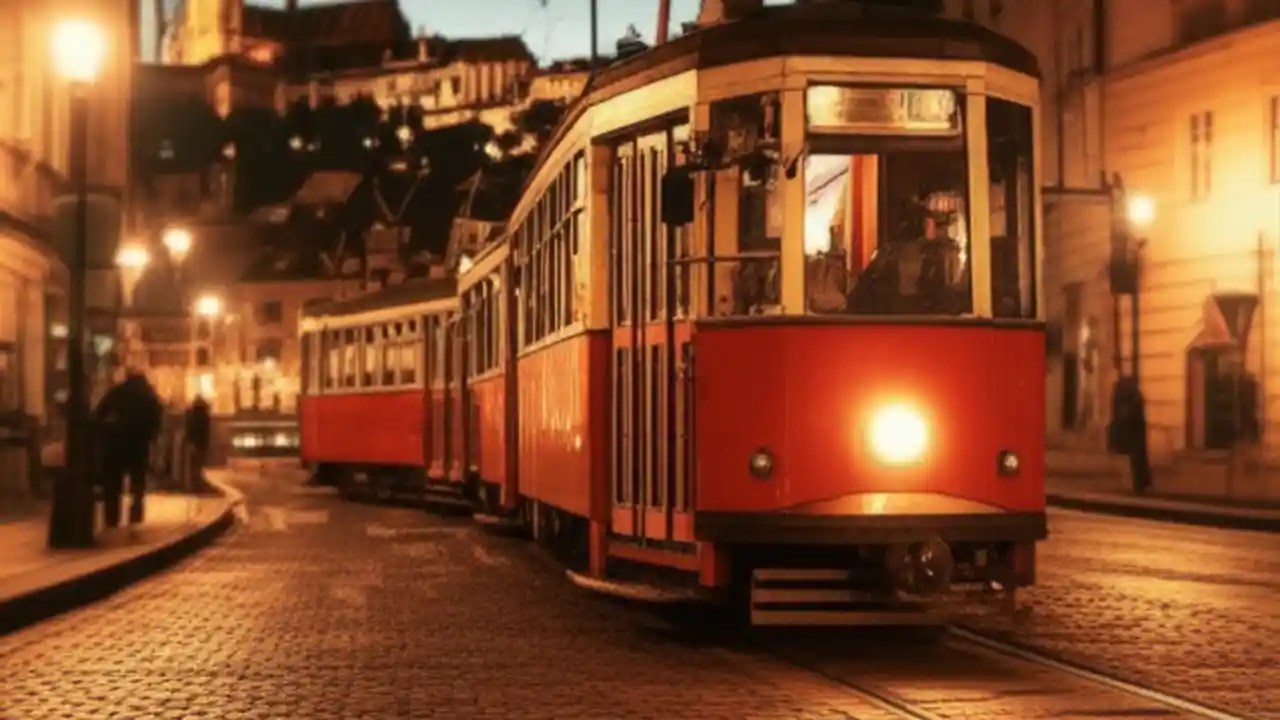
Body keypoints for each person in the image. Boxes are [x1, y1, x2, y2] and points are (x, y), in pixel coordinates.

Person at [93, 371, 164, 527]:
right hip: (139, 445)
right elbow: (157, 418)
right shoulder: (148, 396)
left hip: (114, 445)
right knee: (137, 483)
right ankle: (135, 515)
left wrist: (104, 433)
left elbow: (99, 415)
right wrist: (151, 436)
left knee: (113, 484)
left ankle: (111, 518)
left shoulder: (116, 393)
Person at [184, 395, 211, 484]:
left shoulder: (192, 415)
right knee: (199, 461)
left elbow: (189, 428)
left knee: (194, 461)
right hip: (202, 442)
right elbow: (206, 430)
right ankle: (198, 478)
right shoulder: (205, 415)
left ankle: (195, 479)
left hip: (194, 441)